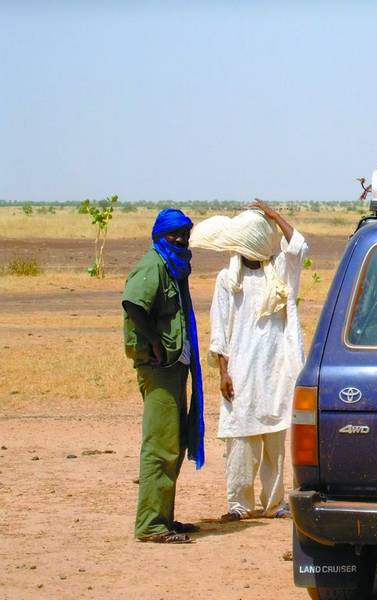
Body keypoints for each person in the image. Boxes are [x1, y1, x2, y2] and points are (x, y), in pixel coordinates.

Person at [193, 199, 307, 521]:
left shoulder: (281, 272)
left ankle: (274, 505)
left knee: (274, 441)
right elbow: (220, 329)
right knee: (240, 443)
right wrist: (223, 373)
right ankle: (238, 506)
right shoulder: (227, 280)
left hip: (275, 371)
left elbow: (298, 245)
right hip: (241, 372)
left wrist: (273, 215)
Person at [122, 208, 205, 544]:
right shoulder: (153, 265)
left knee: (175, 441)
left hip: (173, 367)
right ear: (159, 235)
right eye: (175, 234)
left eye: (185, 233)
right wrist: (154, 342)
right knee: (160, 446)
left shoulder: (172, 268)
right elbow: (133, 304)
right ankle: (151, 525)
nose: (182, 239)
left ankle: (164, 519)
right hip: (159, 369)